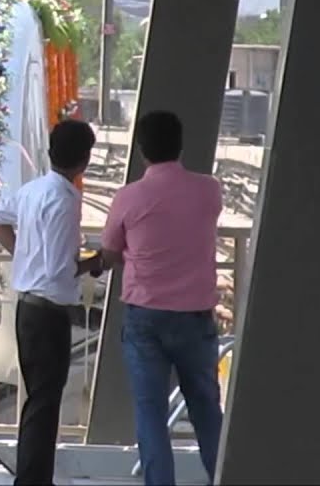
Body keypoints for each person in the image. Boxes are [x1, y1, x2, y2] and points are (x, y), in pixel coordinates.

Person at [82, 110, 224, 486]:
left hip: (146, 317)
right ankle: (224, 477)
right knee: (206, 410)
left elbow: (111, 252)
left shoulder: (128, 197)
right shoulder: (210, 190)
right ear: (180, 145)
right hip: (196, 317)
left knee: (150, 413)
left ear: (142, 150)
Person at [0, 119, 97, 486]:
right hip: (50, 314)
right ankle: (33, 480)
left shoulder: (33, 190)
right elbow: (60, 269)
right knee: (45, 403)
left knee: (38, 400)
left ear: (50, 153)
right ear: (84, 160)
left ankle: (33, 477)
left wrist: (22, 255)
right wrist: (98, 262)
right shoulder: (65, 200)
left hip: (27, 308)